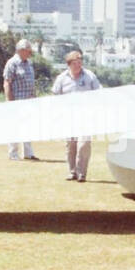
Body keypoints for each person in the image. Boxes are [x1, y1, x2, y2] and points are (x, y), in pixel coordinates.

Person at [51, 49, 101, 181]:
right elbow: (55, 96)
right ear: (69, 64)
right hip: (68, 118)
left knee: (84, 145)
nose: (78, 65)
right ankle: (72, 171)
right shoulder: (61, 78)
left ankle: (81, 173)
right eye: (75, 63)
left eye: (80, 62)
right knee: (71, 145)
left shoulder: (90, 76)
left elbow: (99, 93)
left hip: (87, 117)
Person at [3, 38, 38, 160]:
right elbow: (7, 83)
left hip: (28, 101)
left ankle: (28, 153)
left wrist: (34, 97)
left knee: (28, 127)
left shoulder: (29, 63)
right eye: (28, 51)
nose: (30, 53)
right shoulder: (12, 63)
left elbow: (31, 82)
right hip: (16, 101)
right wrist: (9, 101)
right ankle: (13, 154)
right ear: (21, 50)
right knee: (15, 127)